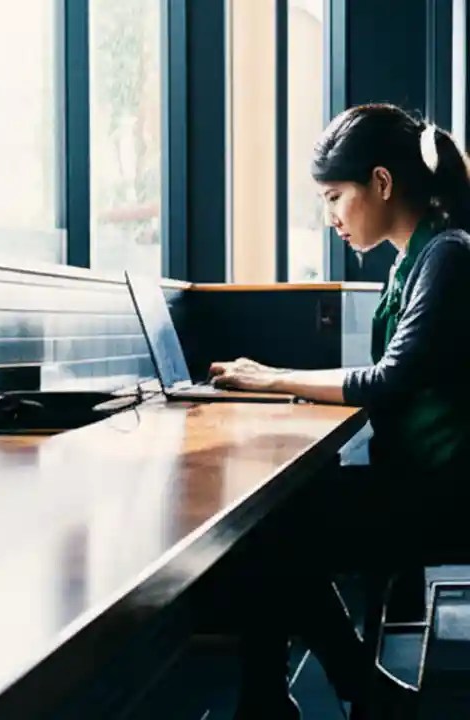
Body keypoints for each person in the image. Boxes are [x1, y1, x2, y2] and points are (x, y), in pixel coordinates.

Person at [210, 103, 470, 719]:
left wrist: (273, 379)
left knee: (269, 531)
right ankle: (319, 694)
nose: (330, 218)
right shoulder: (418, 256)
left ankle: (310, 697)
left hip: (446, 491)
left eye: (334, 197)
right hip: (423, 479)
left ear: (382, 183)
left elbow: (392, 377)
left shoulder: (448, 254)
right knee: (274, 521)